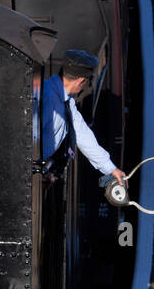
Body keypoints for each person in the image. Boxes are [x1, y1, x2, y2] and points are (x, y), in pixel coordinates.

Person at [42, 49, 126, 186]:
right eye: (88, 81)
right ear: (81, 81)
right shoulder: (47, 98)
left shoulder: (66, 102)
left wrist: (111, 169)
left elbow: (83, 135)